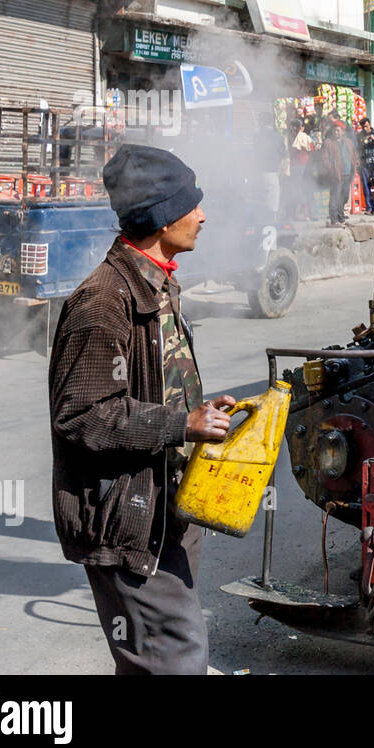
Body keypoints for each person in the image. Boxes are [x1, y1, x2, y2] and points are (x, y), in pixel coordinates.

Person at [48, 144, 236, 674]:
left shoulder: (157, 282)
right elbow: (81, 416)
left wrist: (199, 410)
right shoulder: (102, 303)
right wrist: (182, 424)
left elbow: (153, 386)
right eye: (191, 204)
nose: (202, 215)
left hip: (165, 510)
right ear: (160, 216)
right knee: (175, 658)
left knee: (152, 661)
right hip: (127, 520)